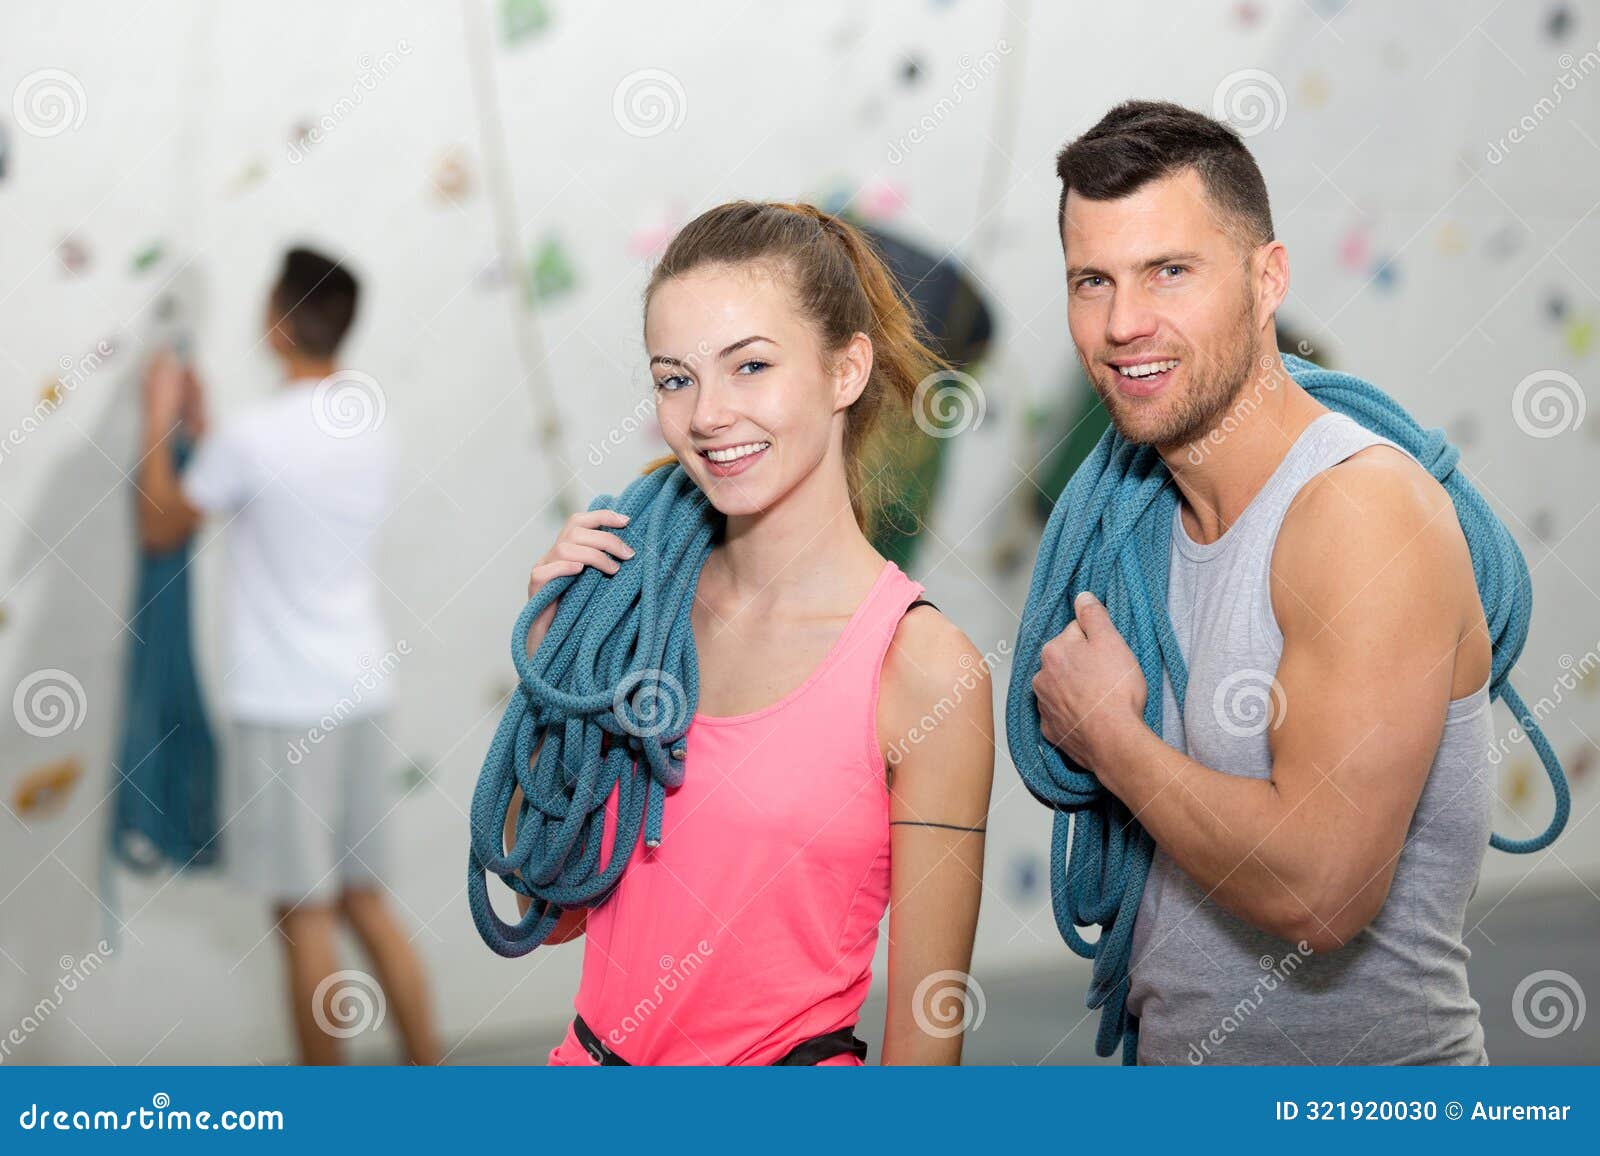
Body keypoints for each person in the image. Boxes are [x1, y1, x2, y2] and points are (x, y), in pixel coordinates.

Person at [1031, 101, 1496, 1064]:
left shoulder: (1360, 512)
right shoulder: (1136, 527)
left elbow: (1321, 892)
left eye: (1169, 271)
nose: (1124, 324)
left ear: (1267, 277)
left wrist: (1109, 735)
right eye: (1092, 281)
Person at [506, 201, 996, 1065]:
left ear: (846, 371)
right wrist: (555, 671)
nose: (707, 415)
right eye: (675, 379)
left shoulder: (924, 672)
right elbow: (545, 915)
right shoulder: (629, 616)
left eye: (751, 366)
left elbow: (928, 1041)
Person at [137, 246, 439, 1065]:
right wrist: (206, 436)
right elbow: (272, 491)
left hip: (283, 705)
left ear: (279, 321)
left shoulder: (253, 437)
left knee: (303, 914)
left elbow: (161, 525)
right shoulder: (368, 422)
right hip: (360, 690)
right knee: (363, 899)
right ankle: (435, 1084)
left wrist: (157, 420)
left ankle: (319, 1115)